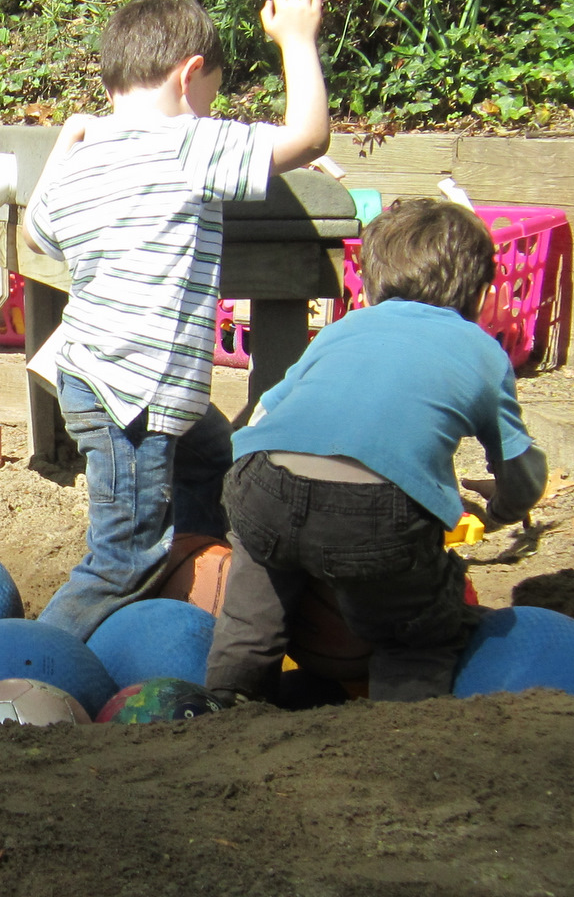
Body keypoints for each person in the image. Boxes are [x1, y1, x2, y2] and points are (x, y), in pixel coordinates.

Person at [21, 0, 332, 641]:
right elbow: (308, 136)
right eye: (213, 94)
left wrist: (68, 140)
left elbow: (33, 233)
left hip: (103, 377)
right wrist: (298, 39)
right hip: (136, 397)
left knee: (213, 462)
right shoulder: (191, 142)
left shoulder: (85, 158)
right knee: (123, 558)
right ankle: (26, 659)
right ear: (191, 76)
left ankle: (191, 589)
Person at [205, 197, 549, 704]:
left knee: (249, 624)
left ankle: (224, 704)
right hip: (374, 515)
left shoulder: (342, 329)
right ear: (479, 294)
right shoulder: (481, 350)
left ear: (369, 282)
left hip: (264, 481)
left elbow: (265, 411)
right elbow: (521, 470)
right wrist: (502, 509)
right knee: (413, 637)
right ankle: (391, 740)